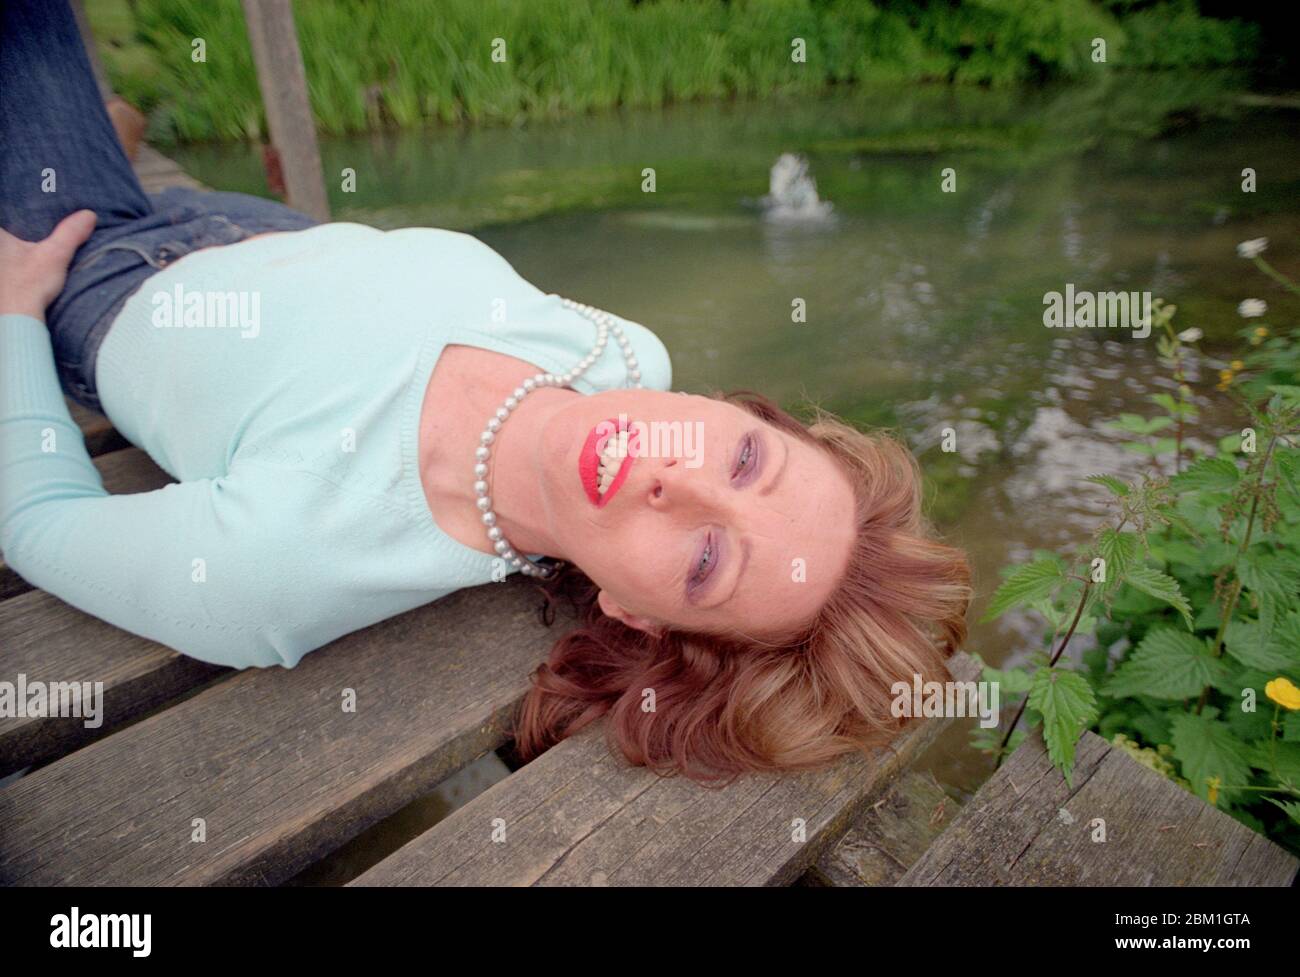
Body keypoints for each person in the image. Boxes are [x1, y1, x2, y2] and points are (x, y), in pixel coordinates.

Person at [0, 0, 970, 780]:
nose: (672, 477)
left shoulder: (281, 569)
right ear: (737, 413)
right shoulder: (624, 353)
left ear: (635, 614)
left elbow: (37, 519)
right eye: (746, 458)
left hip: (109, 279)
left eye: (705, 559)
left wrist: (13, 314)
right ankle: (118, 154)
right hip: (262, 226)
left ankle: (107, 166)